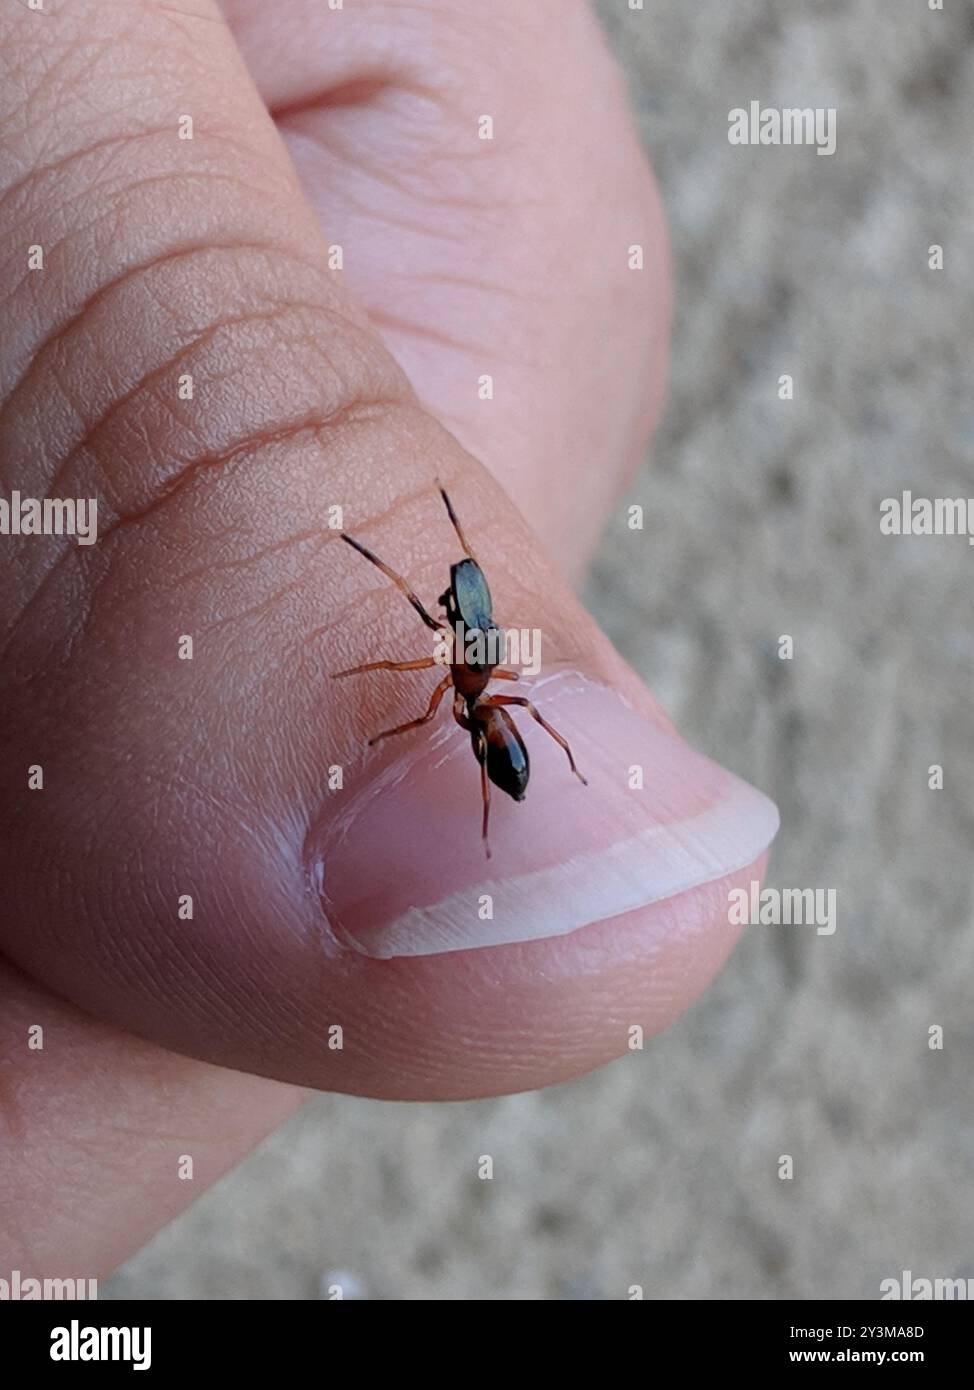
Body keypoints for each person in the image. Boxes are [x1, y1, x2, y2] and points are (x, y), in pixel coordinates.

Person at [0, 0, 776, 1277]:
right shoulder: (467, 684)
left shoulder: (473, 689)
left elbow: (475, 670)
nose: (477, 711)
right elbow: (461, 670)